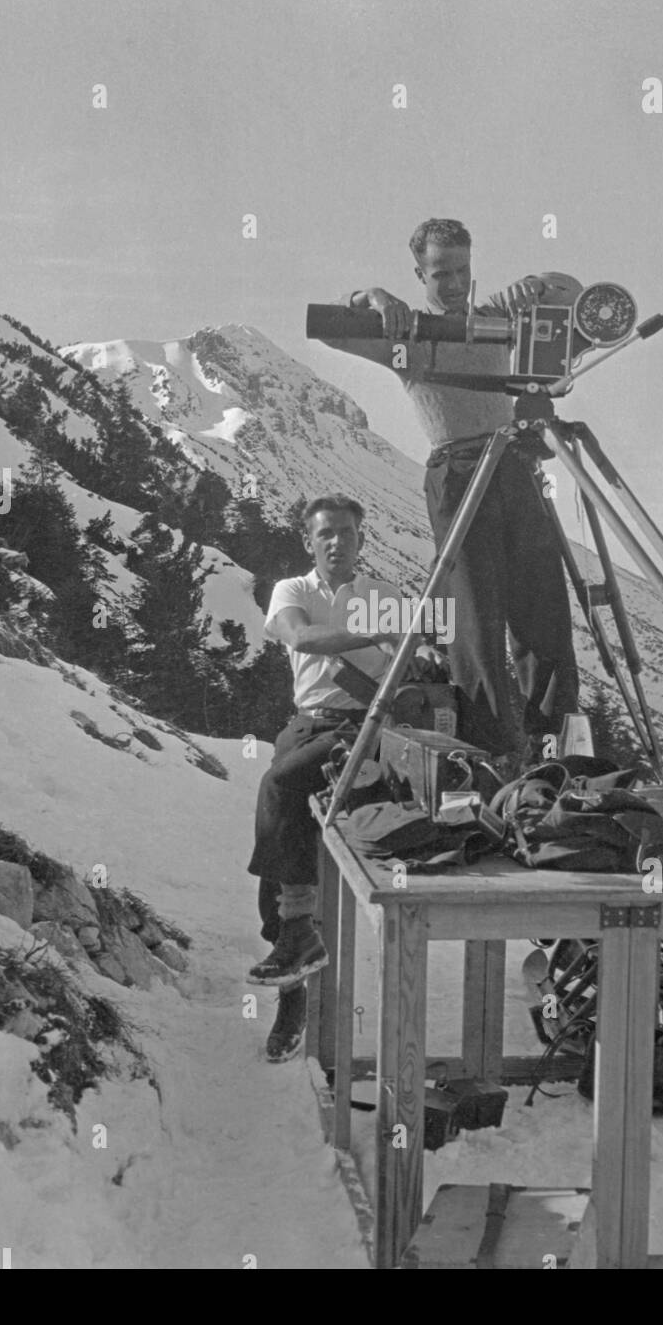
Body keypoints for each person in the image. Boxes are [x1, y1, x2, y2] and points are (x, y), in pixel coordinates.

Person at [327, 217, 580, 762]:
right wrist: (366, 295)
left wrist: (536, 283)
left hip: (514, 462)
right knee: (473, 618)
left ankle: (554, 752)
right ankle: (491, 756)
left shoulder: (496, 318)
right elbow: (330, 327)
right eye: (441, 273)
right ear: (419, 273)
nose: (454, 284)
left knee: (543, 609)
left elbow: (580, 300)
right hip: (457, 472)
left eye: (463, 270)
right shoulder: (408, 335)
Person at [247, 493, 439, 1062]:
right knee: (277, 842)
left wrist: (414, 651)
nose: (337, 541)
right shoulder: (294, 591)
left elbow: (414, 661)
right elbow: (301, 638)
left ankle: (298, 940)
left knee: (282, 790)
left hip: (369, 725)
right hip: (309, 723)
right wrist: (382, 637)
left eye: (347, 532)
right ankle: (293, 973)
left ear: (362, 538)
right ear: (309, 540)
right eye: (325, 532)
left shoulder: (384, 595)